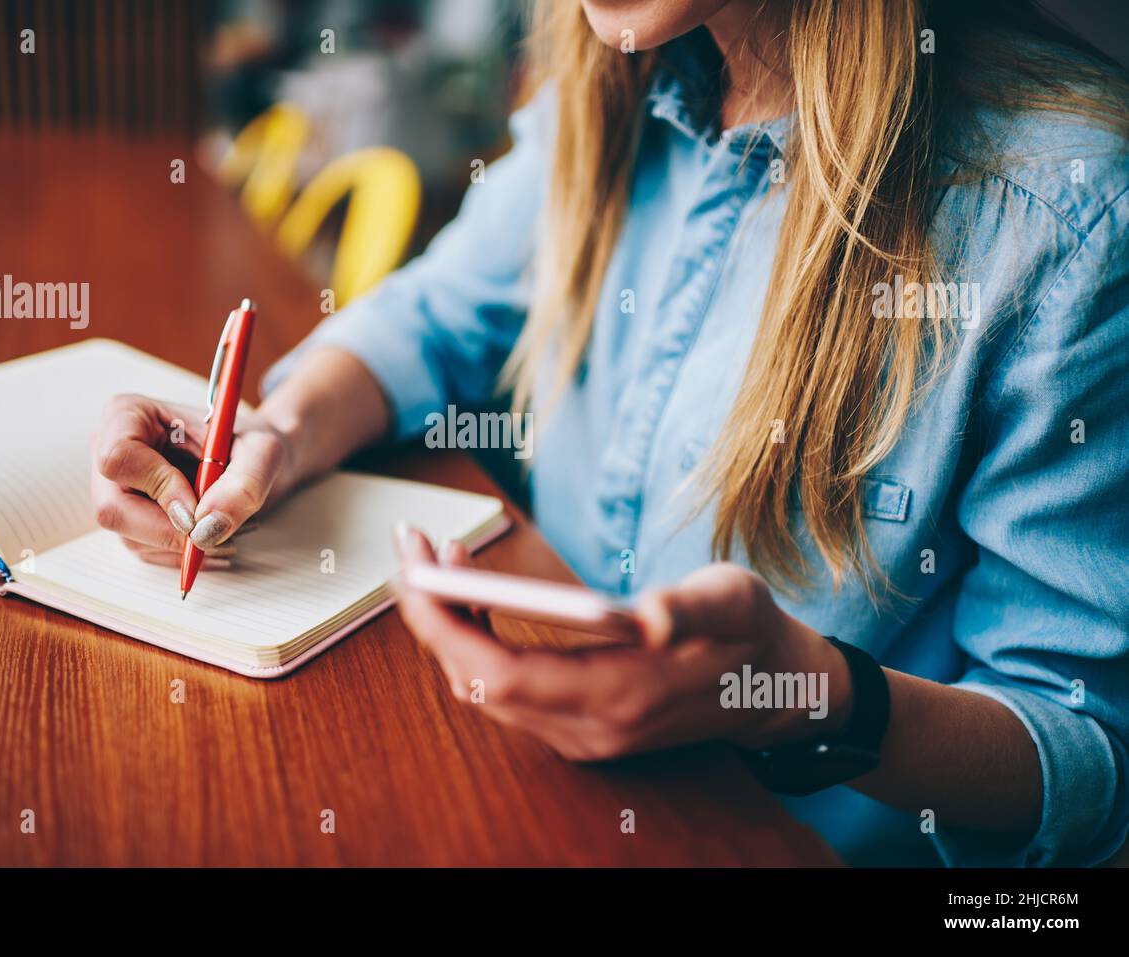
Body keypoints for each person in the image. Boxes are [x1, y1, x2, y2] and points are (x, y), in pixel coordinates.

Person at [89, 0, 1129, 866]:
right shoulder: (602, 88)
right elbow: (431, 317)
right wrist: (277, 429)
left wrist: (790, 699)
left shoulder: (1068, 222)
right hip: (534, 787)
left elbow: (1087, 756)